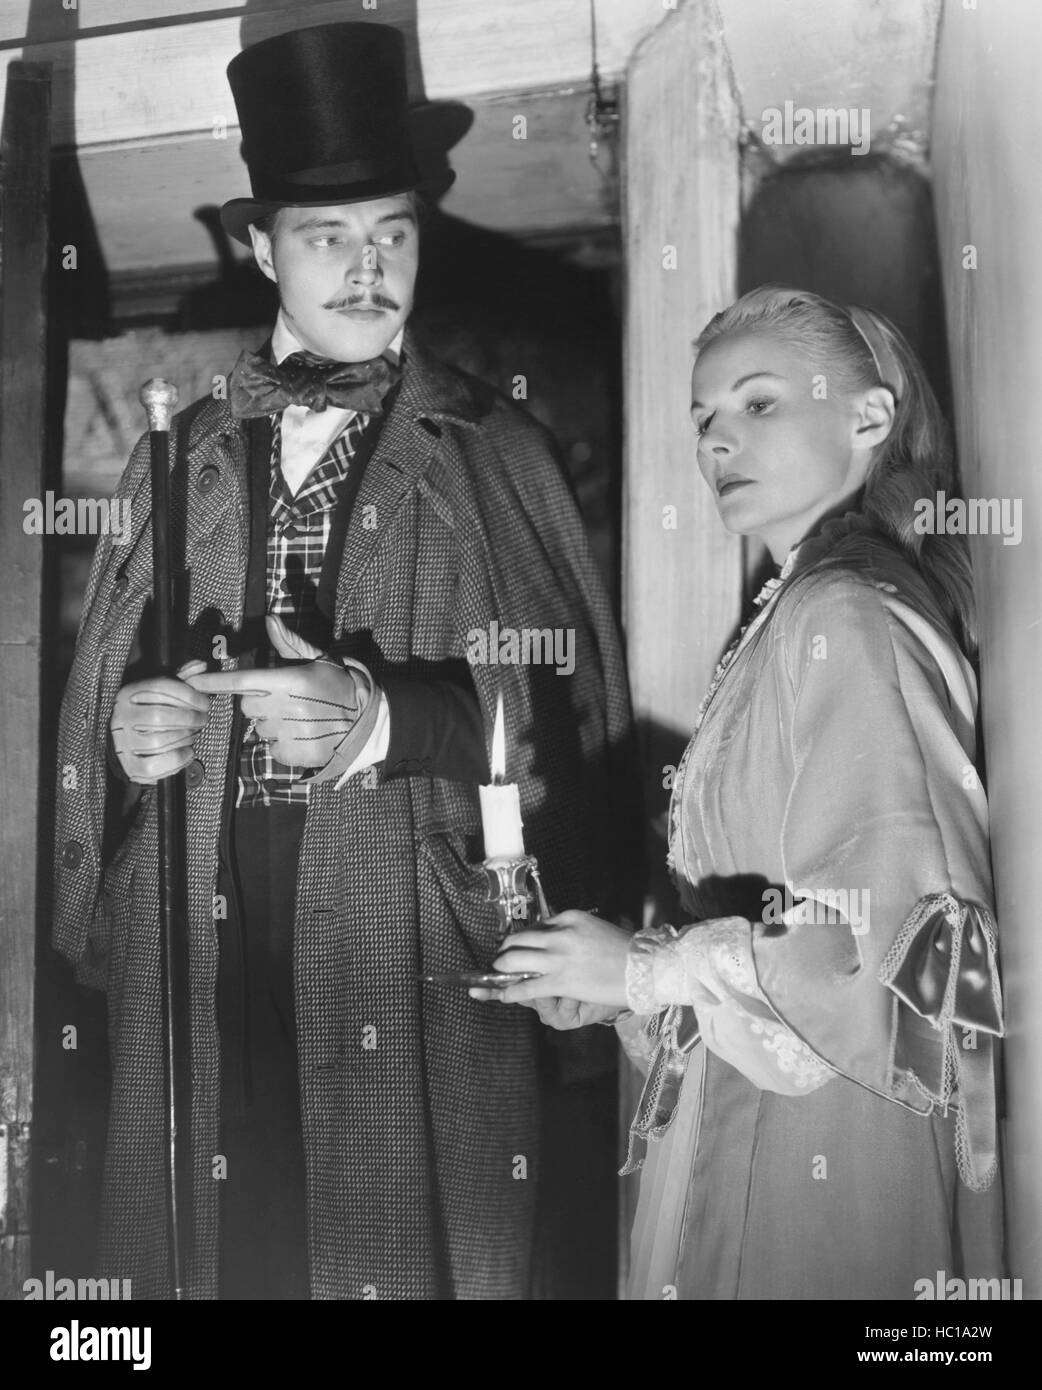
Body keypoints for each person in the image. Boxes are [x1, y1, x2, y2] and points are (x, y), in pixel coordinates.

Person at [52, 22, 639, 1301]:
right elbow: (106, 692)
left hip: (405, 936)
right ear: (259, 247)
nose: (367, 268)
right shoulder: (185, 448)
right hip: (204, 935)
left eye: (392, 233)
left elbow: (565, 715)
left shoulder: (496, 448)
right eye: (328, 237)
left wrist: (388, 719)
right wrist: (129, 731)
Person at [481, 285, 1006, 1299]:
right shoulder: (789, 613)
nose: (719, 437)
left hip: (836, 1158)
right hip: (755, 1128)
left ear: (869, 418)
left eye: (758, 403)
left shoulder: (848, 614)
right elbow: (735, 950)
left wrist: (644, 971)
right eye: (703, 415)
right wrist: (620, 985)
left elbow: (893, 942)